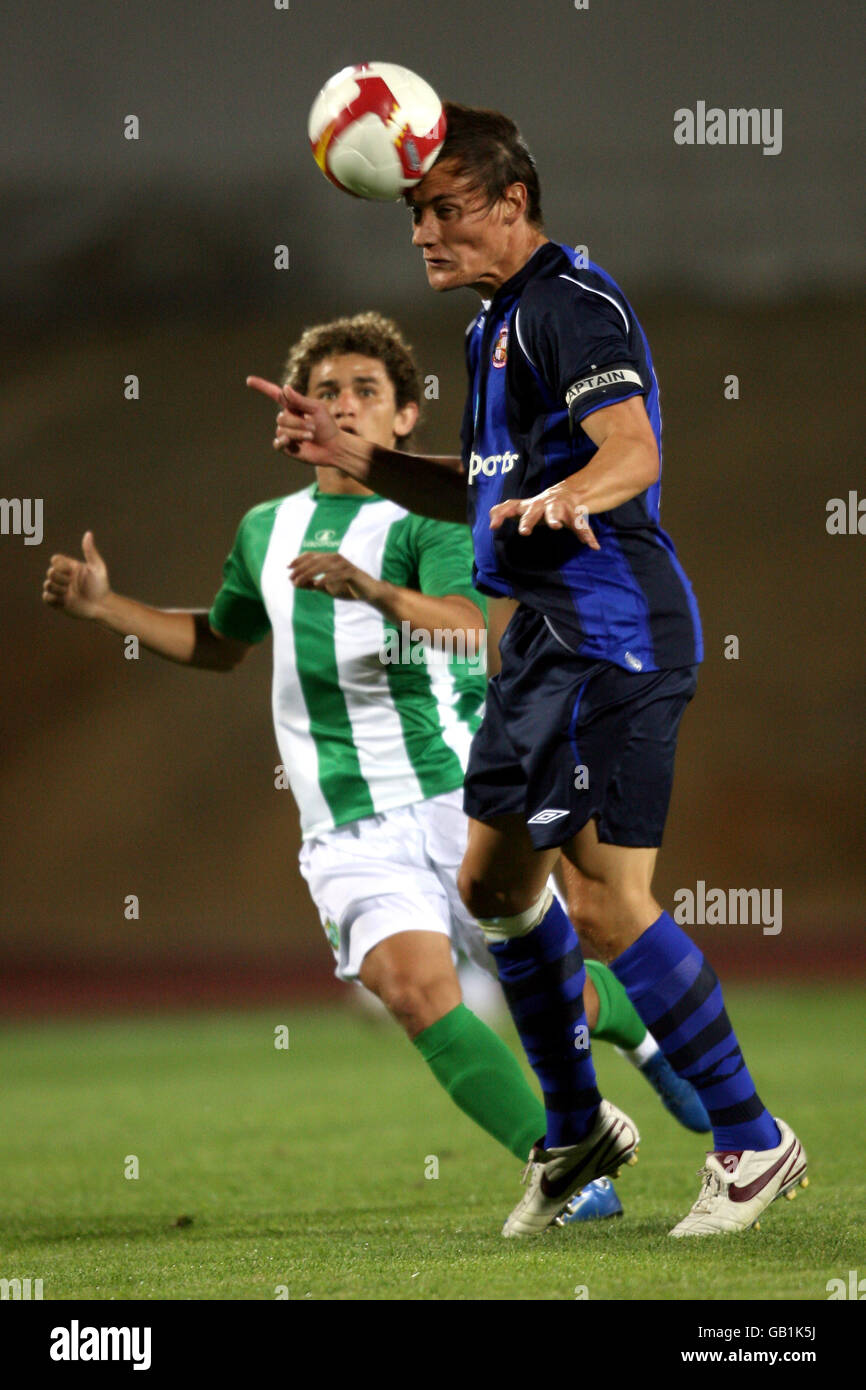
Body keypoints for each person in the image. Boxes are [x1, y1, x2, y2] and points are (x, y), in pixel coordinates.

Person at [250, 107, 808, 1239]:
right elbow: (480, 482)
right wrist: (367, 457)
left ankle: (751, 1139)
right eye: (413, 213)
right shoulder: (492, 328)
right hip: (538, 643)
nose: (421, 231)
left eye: (443, 208)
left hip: (611, 630)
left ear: (511, 203)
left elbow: (632, 449)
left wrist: (571, 497)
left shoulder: (568, 302)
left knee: (606, 905)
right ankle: (573, 1134)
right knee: (495, 892)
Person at [42, 311, 706, 1225]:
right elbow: (221, 642)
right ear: (298, 413)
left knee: (547, 984)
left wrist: (374, 590)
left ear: (405, 418)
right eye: (326, 390)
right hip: (343, 823)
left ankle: (635, 1031)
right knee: (414, 990)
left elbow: (475, 629)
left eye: (366, 391)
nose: (344, 404)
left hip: (455, 794)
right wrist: (110, 607)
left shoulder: (422, 515)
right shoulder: (265, 529)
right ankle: (573, 1172)